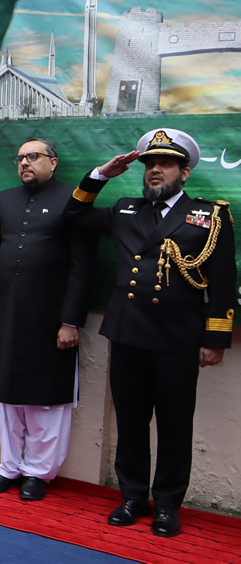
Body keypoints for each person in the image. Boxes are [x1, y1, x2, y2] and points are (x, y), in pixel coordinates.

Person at [66, 128, 235, 537]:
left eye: (166, 165)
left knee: (175, 425)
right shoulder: (126, 209)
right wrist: (100, 175)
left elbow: (224, 282)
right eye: (150, 165)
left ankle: (168, 505)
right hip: (128, 334)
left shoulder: (208, 216)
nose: (155, 170)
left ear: (184, 172)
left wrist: (215, 339)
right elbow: (73, 217)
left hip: (177, 338)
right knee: (131, 421)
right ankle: (133, 496)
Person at [0, 138, 94, 501]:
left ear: (52, 163)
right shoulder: (3, 200)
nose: (24, 162)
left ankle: (38, 472)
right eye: (20, 158)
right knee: (8, 394)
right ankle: (9, 466)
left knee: (46, 398)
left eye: (33, 156)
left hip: (50, 317)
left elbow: (82, 267)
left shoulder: (72, 200)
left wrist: (70, 321)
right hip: (7, 313)